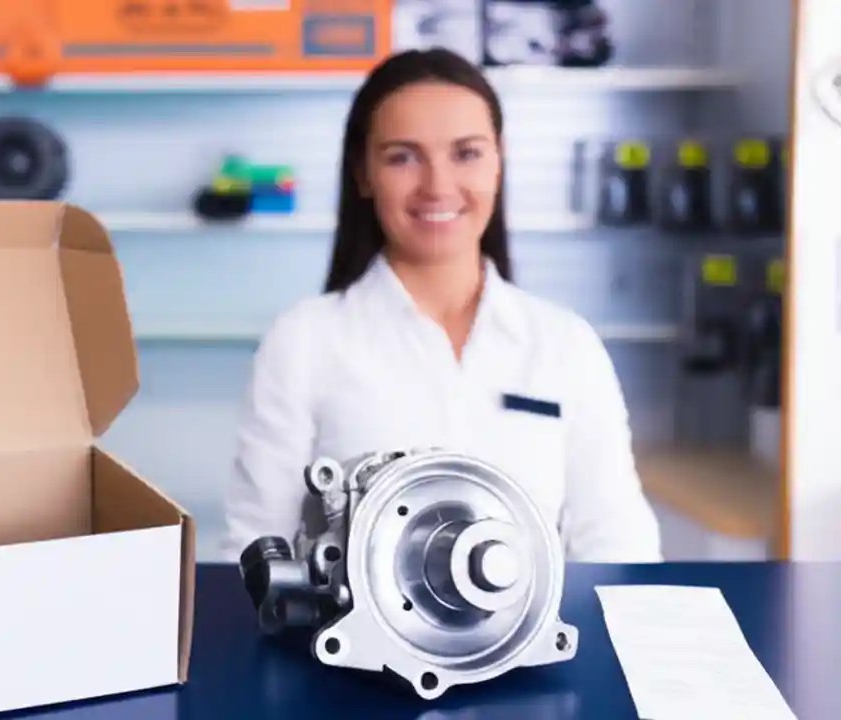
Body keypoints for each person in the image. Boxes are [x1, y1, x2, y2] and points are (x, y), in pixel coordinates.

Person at [220, 48, 662, 564]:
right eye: (402, 156)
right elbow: (256, 553)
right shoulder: (303, 341)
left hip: (538, 645)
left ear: (499, 163)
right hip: (351, 644)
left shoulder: (566, 345)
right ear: (363, 173)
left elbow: (617, 545)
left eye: (466, 153)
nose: (437, 185)